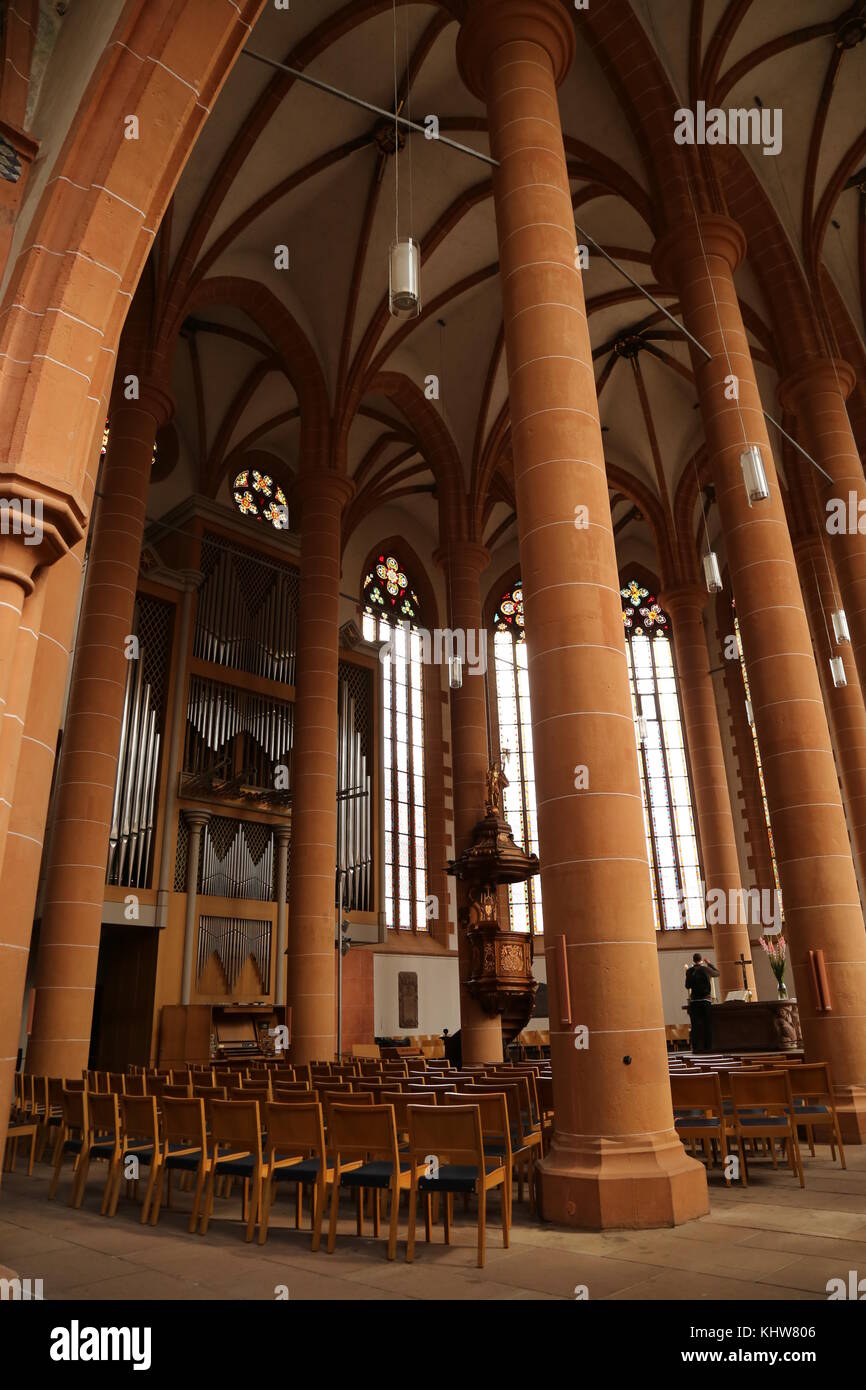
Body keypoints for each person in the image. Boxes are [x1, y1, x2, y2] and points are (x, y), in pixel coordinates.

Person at [685, 952, 720, 1053]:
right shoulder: (706, 969)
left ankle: (696, 1048)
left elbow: (687, 986)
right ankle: (708, 1047)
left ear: (693, 960)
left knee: (695, 1026)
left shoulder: (690, 971)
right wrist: (709, 964)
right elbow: (717, 973)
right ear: (701, 960)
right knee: (707, 1024)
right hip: (705, 1001)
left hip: (694, 1001)